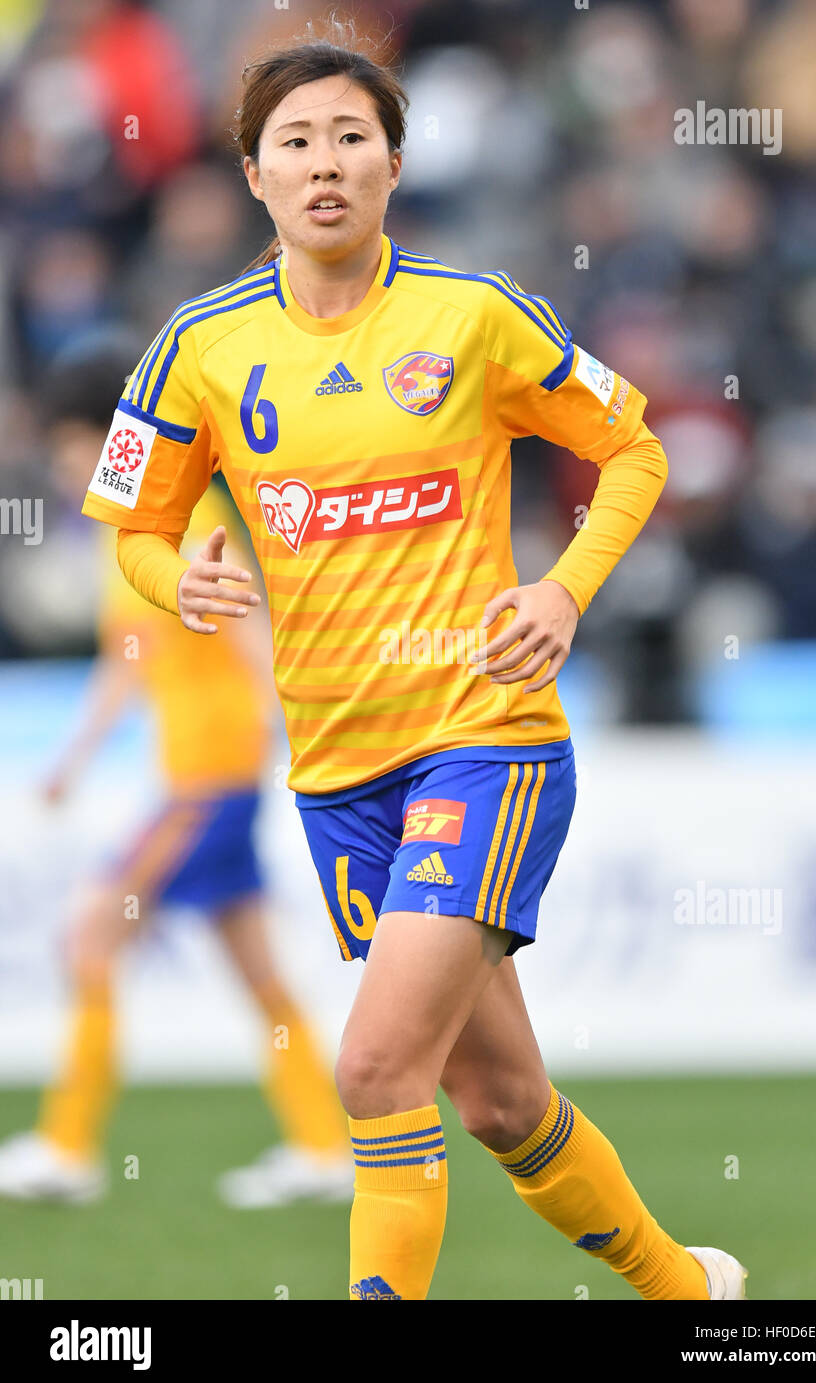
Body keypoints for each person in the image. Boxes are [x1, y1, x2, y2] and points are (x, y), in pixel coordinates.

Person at [79, 29, 747, 1300]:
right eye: (295, 142)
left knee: (375, 1070)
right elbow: (133, 528)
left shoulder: (475, 313)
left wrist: (560, 590)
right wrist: (183, 580)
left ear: (392, 161)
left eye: (348, 137)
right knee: (497, 1099)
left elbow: (635, 450)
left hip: (483, 738)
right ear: (253, 174)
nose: (323, 163)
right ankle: (689, 1294)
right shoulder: (198, 347)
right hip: (337, 771)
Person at [0, 341, 352, 1208]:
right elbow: (130, 661)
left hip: (211, 781)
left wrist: (299, 730)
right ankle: (325, 1147)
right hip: (196, 776)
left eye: (73, 446)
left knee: (89, 934)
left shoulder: (192, 523)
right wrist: (72, 762)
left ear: (109, 438)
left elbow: (249, 629)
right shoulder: (131, 534)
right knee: (255, 968)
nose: (66, 465)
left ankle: (69, 1146)